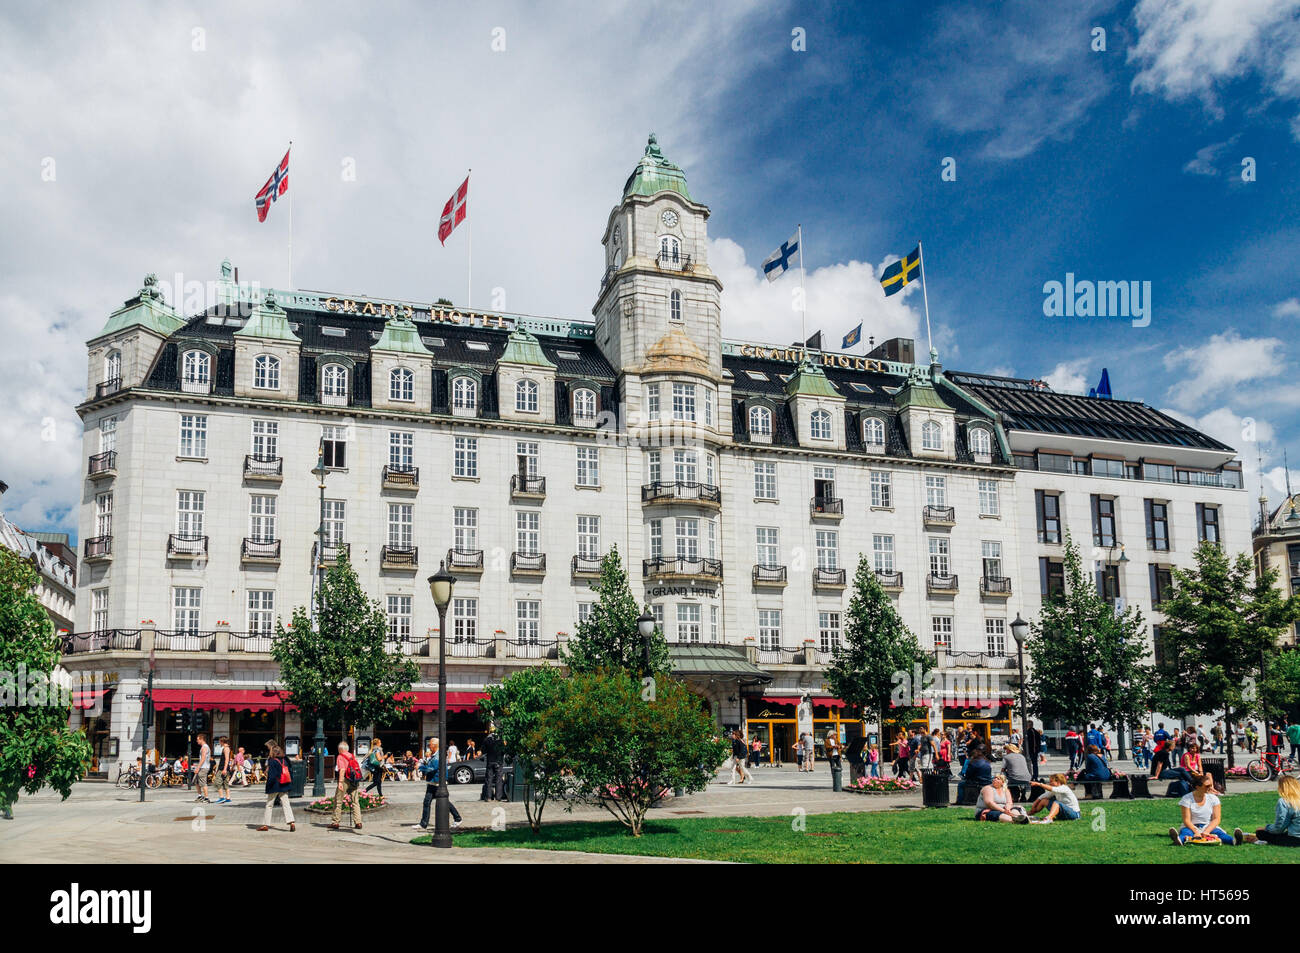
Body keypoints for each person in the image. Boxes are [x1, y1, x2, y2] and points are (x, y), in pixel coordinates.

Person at [1170, 772, 1234, 845]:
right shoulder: (1187, 799)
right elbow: (1186, 820)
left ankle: (1234, 840)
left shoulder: (1213, 798)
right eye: (1207, 786)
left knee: (1220, 834)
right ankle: (1179, 840)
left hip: (1207, 825)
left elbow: (1216, 819)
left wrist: (1207, 831)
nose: (1210, 788)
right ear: (1197, 787)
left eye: (1210, 785)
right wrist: (1196, 832)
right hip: (1191, 826)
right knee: (1186, 833)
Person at [1236, 775, 1300, 846]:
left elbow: (1279, 828)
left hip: (1295, 839)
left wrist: (1266, 828)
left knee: (1260, 833)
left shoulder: (1284, 801)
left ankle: (1256, 839)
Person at [415, 738, 462, 830]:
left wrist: (420, 767)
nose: (429, 747)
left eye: (430, 745)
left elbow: (432, 768)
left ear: (435, 745)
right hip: (433, 782)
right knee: (427, 802)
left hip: (438, 783)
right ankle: (423, 824)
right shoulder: (434, 755)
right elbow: (430, 766)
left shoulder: (438, 756)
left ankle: (457, 818)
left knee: (444, 802)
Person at [257, 742, 295, 832]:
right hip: (284, 784)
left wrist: (268, 786)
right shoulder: (285, 760)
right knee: (286, 804)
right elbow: (290, 771)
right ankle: (291, 822)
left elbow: (272, 776)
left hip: (275, 785)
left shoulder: (272, 761)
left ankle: (266, 824)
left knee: (269, 805)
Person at [329, 741, 364, 830]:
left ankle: (335, 822)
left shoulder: (340, 756)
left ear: (340, 749)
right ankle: (358, 822)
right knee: (355, 801)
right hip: (354, 780)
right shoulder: (352, 756)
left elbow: (342, 770)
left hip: (345, 780)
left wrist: (340, 782)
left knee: (338, 800)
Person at [481, 729, 505, 801]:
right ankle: (498, 797)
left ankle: (488, 797)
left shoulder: (487, 740)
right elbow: (504, 751)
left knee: (489, 779)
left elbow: (483, 751)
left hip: (490, 761)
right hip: (499, 761)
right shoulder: (500, 740)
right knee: (499, 779)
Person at [213, 736, 233, 804]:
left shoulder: (226, 748)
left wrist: (224, 769)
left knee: (217, 782)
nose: (219, 742)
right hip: (224, 768)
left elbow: (227, 759)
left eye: (219, 741)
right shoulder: (226, 748)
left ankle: (221, 797)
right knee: (225, 783)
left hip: (223, 769)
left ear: (222, 741)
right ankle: (228, 798)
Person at [193, 733, 211, 803]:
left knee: (203, 783)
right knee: (196, 781)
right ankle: (200, 796)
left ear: (201, 739)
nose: (197, 741)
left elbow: (203, 758)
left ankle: (207, 798)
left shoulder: (205, 747)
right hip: (202, 767)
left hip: (204, 767)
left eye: (198, 739)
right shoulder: (203, 747)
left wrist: (198, 767)